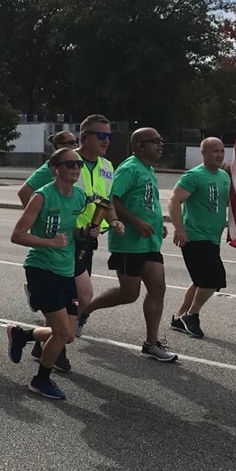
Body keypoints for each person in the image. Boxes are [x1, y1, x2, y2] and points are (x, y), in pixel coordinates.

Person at [5, 147, 116, 399]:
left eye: (77, 164)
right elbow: (17, 235)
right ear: (56, 169)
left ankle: (22, 334)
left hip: (66, 270)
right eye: (69, 165)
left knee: (68, 337)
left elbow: (73, 231)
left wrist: (86, 233)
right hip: (41, 268)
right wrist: (49, 242)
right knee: (62, 332)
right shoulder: (42, 197)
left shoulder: (78, 196)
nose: (76, 168)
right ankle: (40, 380)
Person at [76, 127, 178, 362]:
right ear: (140, 145)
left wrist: (156, 221)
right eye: (155, 141)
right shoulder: (129, 168)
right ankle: (85, 311)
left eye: (161, 140)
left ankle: (151, 343)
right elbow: (113, 199)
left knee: (158, 287)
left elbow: (145, 201)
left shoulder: (148, 169)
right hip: (129, 243)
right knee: (128, 293)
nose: (160, 144)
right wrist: (135, 222)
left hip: (149, 242)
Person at [169, 137, 231, 339]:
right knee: (214, 279)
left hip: (213, 237)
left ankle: (178, 318)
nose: (219, 155)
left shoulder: (223, 176)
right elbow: (175, 200)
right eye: (214, 151)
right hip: (195, 236)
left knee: (199, 281)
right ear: (203, 153)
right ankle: (192, 315)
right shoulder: (194, 176)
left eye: (222, 151)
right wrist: (179, 228)